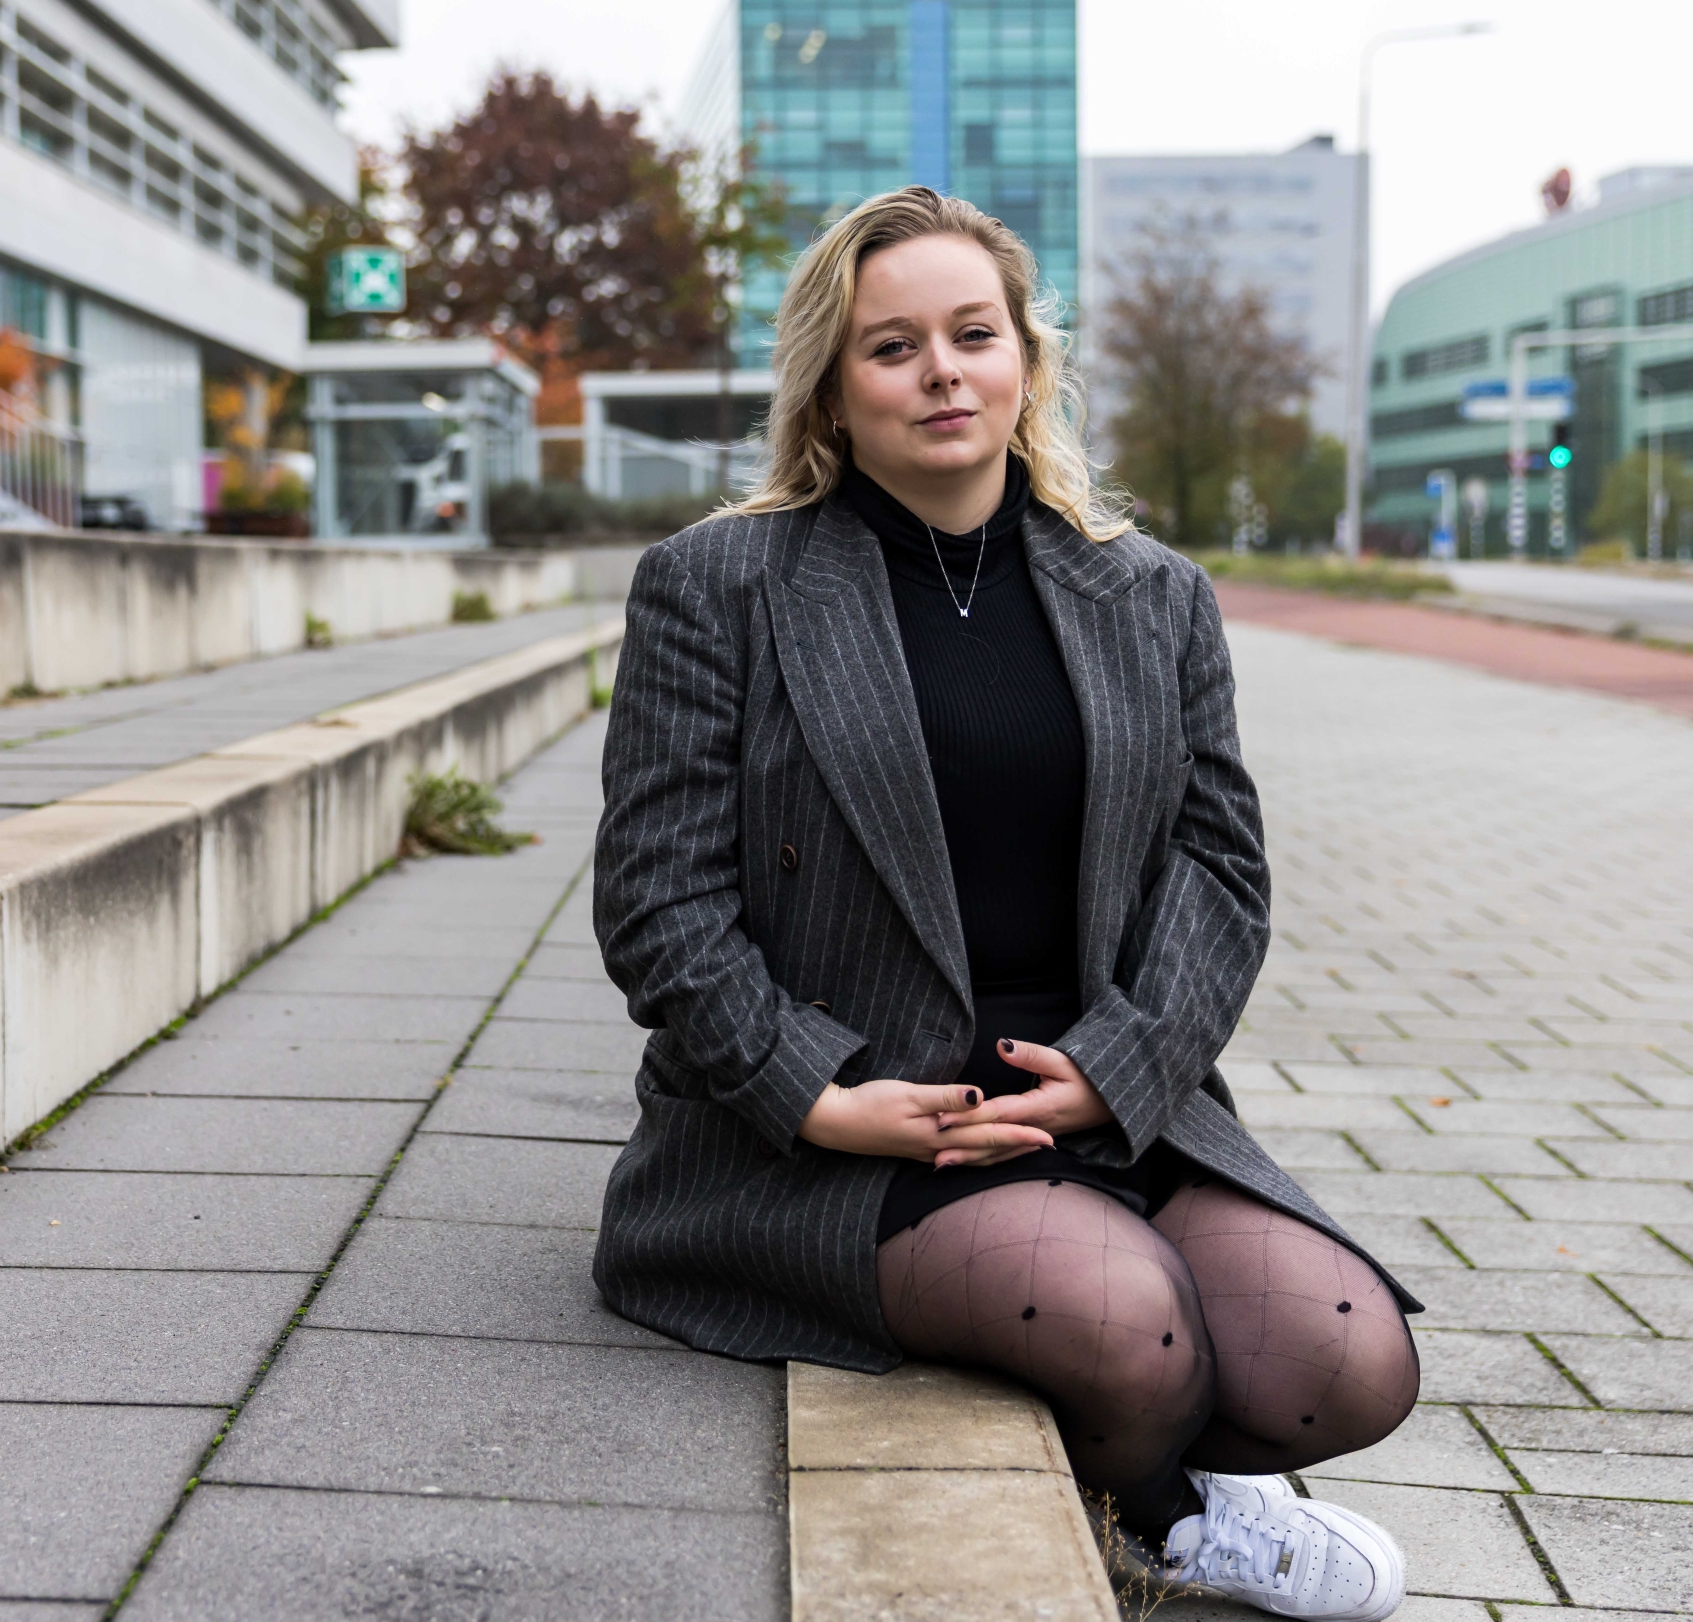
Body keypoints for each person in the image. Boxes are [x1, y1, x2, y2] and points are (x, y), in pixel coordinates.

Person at [591, 187, 1422, 1619]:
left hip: (1092, 1098)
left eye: (973, 334)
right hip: (846, 1136)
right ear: (834, 391)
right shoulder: (718, 584)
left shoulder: (1149, 594)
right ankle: (1163, 1513)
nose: (942, 371)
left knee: (1350, 1361)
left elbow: (1221, 873)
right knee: (1134, 1333)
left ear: (1024, 360)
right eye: (892, 346)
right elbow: (656, 899)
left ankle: (1153, 1435)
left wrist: (1117, 1073)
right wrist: (814, 1093)